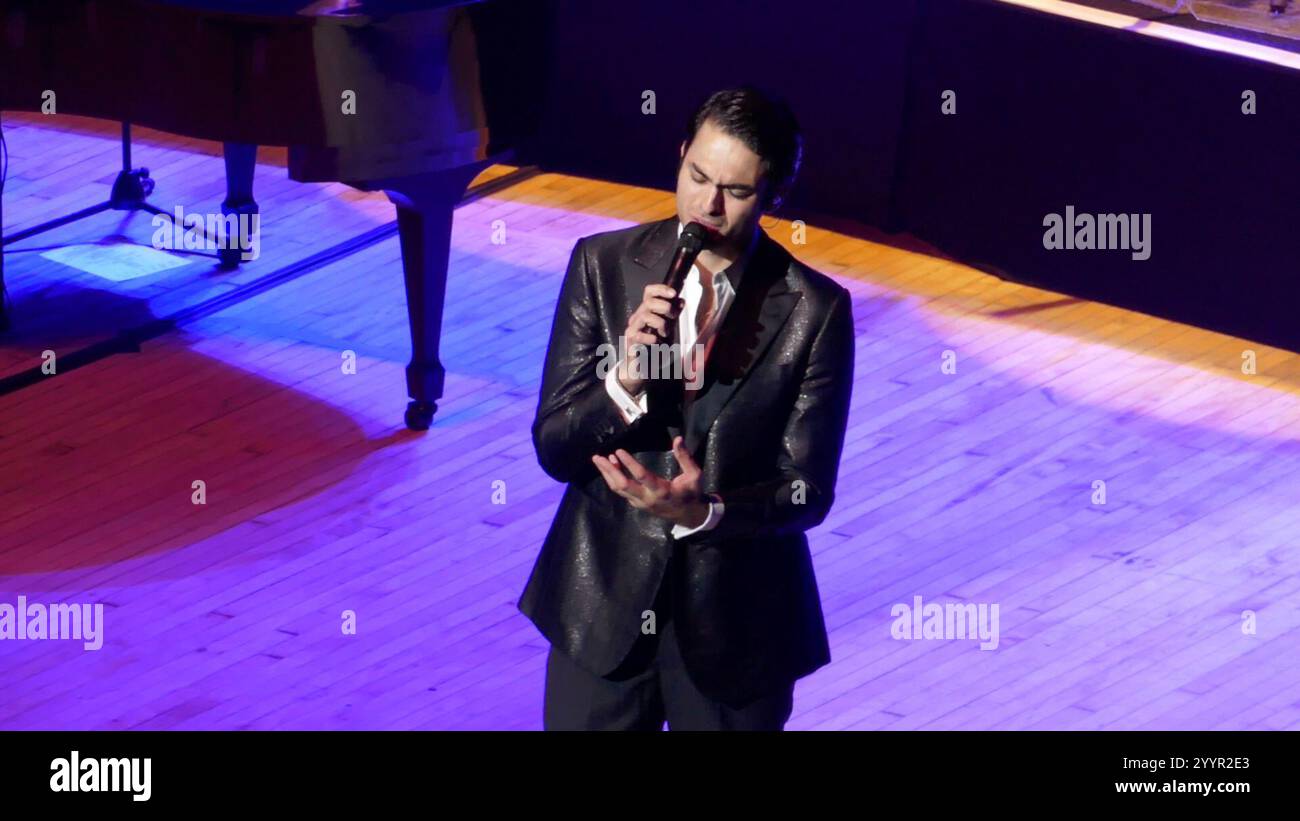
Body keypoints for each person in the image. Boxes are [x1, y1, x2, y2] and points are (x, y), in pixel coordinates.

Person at [519, 86, 855, 730]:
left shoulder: (815, 310)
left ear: (774, 194)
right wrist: (623, 381)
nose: (708, 204)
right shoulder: (602, 264)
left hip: (736, 624)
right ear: (679, 157)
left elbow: (806, 493)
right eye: (697, 176)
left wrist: (705, 513)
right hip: (603, 605)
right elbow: (555, 448)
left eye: (736, 190)